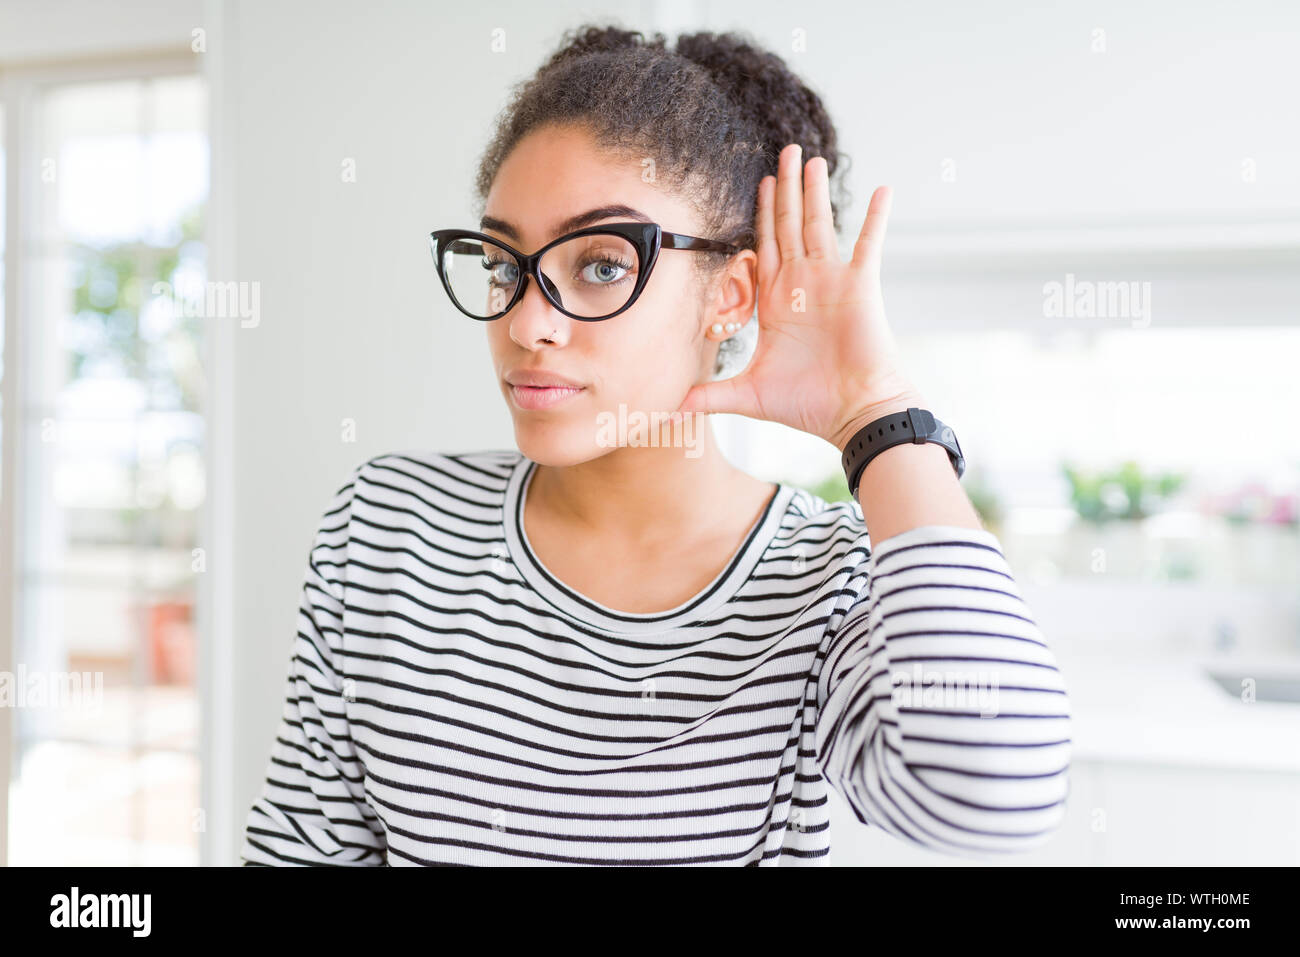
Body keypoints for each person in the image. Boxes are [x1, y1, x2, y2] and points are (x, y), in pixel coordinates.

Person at [241, 25, 1071, 866]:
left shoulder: (826, 582)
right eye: (503, 262)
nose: (527, 322)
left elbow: (995, 792)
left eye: (600, 264)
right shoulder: (387, 526)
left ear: (731, 293)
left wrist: (876, 411)